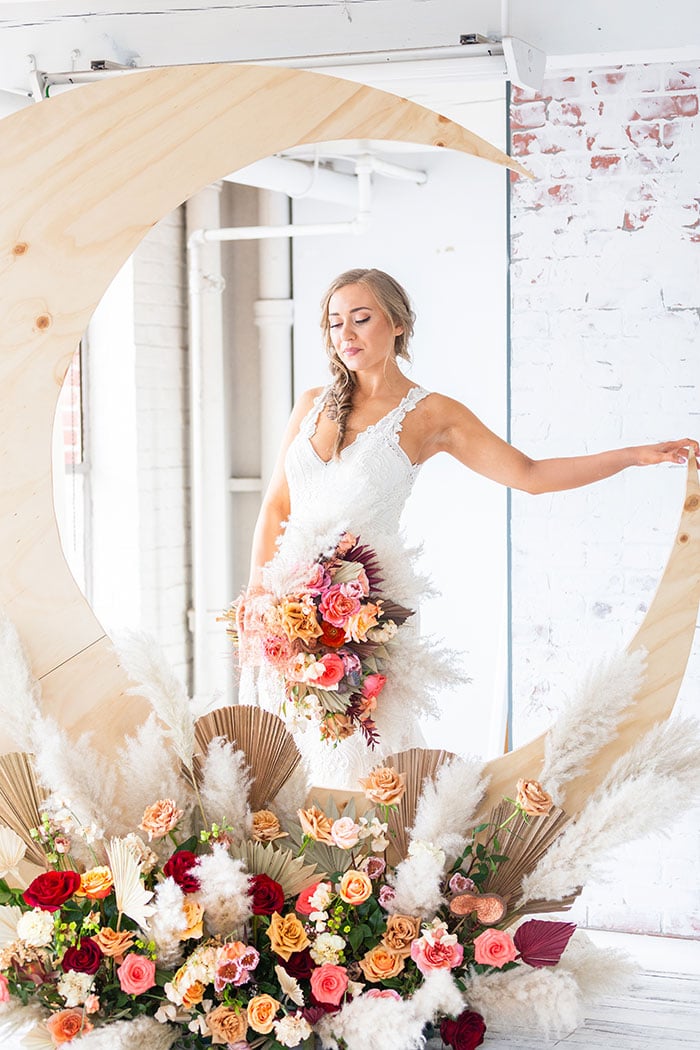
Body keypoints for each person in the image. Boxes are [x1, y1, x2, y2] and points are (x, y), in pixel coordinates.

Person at [240, 267, 698, 787]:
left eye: (361, 319)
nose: (345, 334)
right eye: (335, 322)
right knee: (282, 758)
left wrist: (633, 455)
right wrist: (257, 600)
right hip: (286, 615)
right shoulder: (310, 405)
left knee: (363, 762)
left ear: (397, 323)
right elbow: (277, 507)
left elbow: (529, 475)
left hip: (367, 615)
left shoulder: (431, 413)